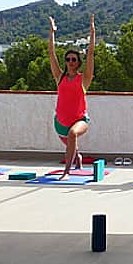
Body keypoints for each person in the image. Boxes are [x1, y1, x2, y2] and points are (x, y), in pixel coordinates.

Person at [48, 15, 95, 179]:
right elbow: (51, 54)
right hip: (60, 123)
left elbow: (91, 55)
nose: (70, 62)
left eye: (74, 59)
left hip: (80, 120)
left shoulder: (84, 79)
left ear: (78, 62)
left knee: (73, 135)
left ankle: (66, 171)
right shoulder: (59, 77)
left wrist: (92, 32)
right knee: (71, 144)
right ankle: (78, 159)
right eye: (68, 59)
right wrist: (52, 32)